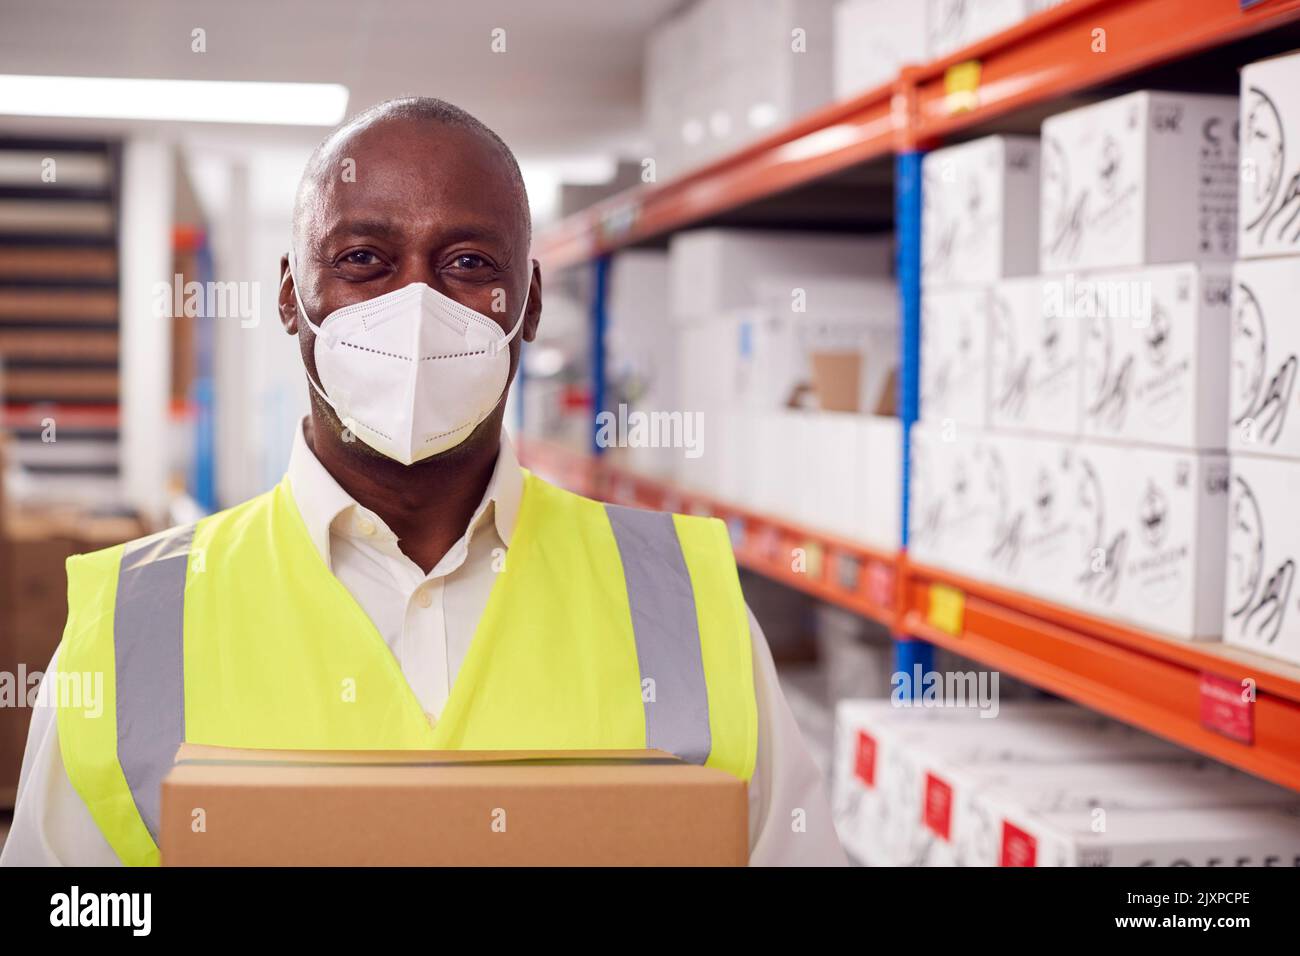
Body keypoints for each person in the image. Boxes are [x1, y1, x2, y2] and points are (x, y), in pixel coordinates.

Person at [0, 97, 846, 867]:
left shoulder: (685, 610)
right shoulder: (135, 626)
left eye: (469, 261)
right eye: (364, 257)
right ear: (293, 297)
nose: (414, 306)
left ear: (530, 304)